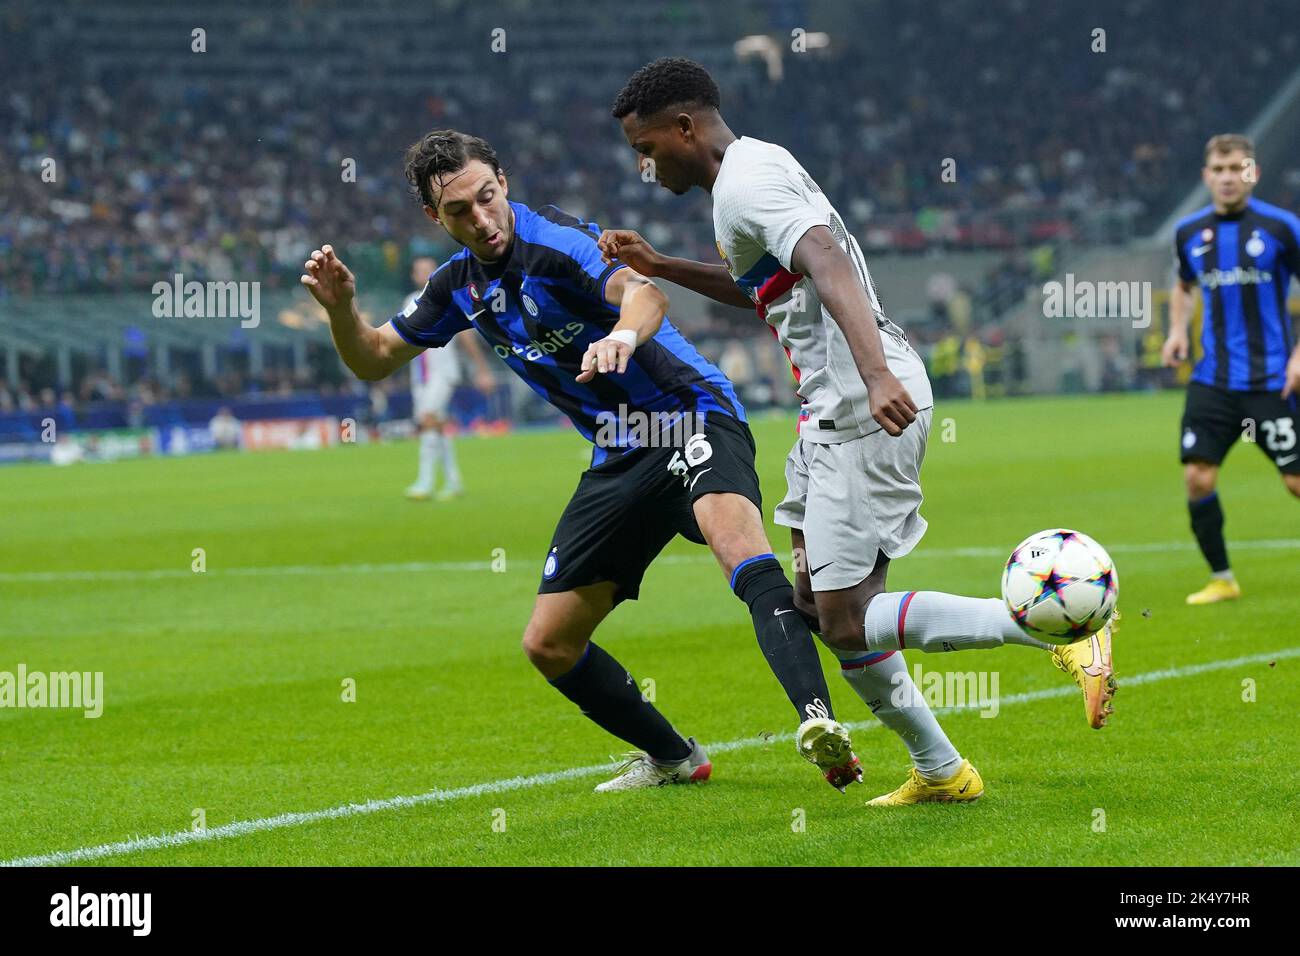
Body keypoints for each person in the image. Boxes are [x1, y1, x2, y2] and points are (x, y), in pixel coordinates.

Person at [603, 58, 1118, 806]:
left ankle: (1058, 630)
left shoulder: (749, 182)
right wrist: (663, 266)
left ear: (684, 127)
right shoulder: (748, 177)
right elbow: (767, 289)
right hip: (830, 411)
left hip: (860, 405)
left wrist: (874, 374)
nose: (644, 166)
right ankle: (942, 772)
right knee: (817, 603)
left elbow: (826, 257)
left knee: (844, 621)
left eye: (645, 147)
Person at [301, 129, 862, 792]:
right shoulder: (455, 287)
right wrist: (341, 311)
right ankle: (675, 757)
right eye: (459, 212)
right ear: (435, 217)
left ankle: (818, 724)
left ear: (503, 183)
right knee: (549, 644)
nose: (480, 220)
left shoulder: (556, 243)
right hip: (620, 453)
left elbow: (645, 293)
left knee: (734, 540)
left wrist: (623, 336)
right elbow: (372, 357)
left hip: (688, 411)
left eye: (486, 198)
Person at [1162, 133, 1300, 604]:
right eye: (1218, 170)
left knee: (1295, 482)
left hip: (1273, 382)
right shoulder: (1189, 233)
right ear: (1206, 177)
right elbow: (1183, 286)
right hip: (1212, 382)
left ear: (1253, 174)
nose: (1226, 178)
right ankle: (1222, 578)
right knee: (1197, 476)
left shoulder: (1282, 229)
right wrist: (1177, 331)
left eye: (1236, 168)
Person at [403, 255, 495, 501]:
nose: (425, 274)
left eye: (429, 270)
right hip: (420, 375)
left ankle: (425, 482)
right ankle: (454, 482)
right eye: (420, 270)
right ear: (414, 276)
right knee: (438, 426)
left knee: (427, 419)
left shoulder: (448, 297)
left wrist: (481, 369)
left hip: (442, 372)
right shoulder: (410, 300)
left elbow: (466, 337)